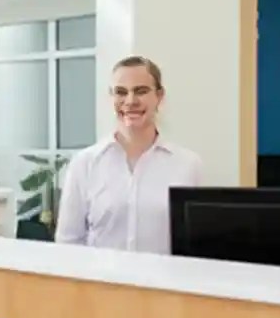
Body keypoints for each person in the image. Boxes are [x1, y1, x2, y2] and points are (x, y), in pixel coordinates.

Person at [54, 55, 202, 254]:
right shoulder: (85, 163)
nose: (130, 101)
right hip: (100, 284)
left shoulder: (188, 165)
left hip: (162, 284)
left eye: (141, 91)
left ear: (159, 96)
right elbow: (68, 243)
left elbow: (195, 247)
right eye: (121, 92)